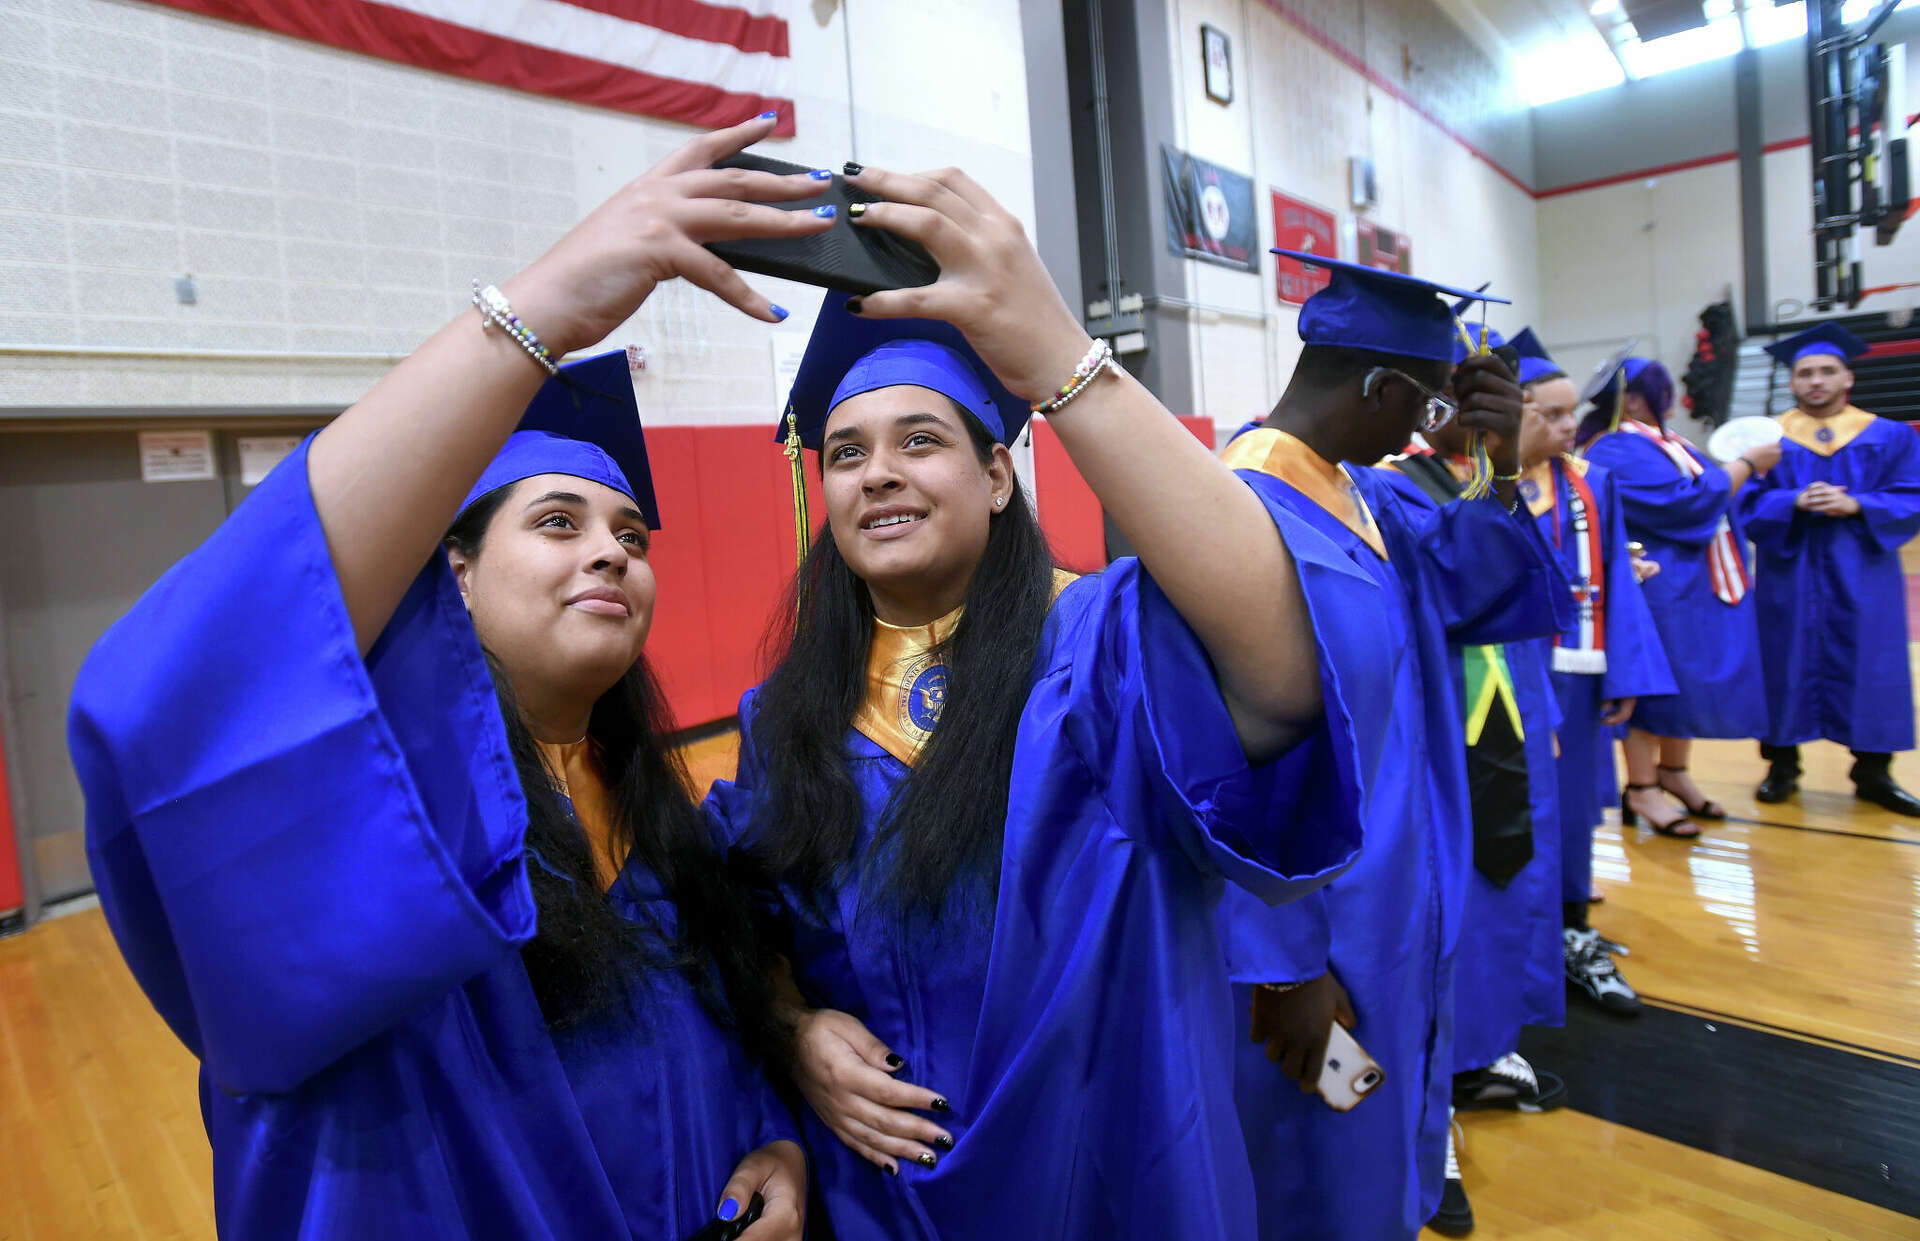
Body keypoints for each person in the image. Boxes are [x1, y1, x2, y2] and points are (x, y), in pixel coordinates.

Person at [65, 116, 830, 1240]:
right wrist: (548, 306)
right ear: (454, 573)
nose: (612, 550)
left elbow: (706, 1043)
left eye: (631, 532)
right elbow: (163, 699)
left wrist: (777, 1142)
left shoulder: (673, 825)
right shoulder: (387, 834)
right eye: (558, 522)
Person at [707, 169, 1367, 1240]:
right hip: (883, 1191)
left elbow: (1283, 663)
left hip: (1111, 1180)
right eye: (846, 452)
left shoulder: (1105, 652)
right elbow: (752, 925)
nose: (877, 473)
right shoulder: (786, 719)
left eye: (921, 440)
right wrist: (793, 1028)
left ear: (1000, 476)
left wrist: (1060, 354)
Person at [1216, 255, 1571, 1241]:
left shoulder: (1366, 498)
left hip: (1394, 900)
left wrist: (1498, 461)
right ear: (1376, 387)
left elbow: (1477, 587)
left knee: (1368, 1145)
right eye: (1422, 408)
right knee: (1302, 1163)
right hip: (1311, 932)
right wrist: (1283, 966)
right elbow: (1227, 762)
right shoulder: (1235, 517)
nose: (1425, 432)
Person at [1383, 330, 1569, 1236]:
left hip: (1501, 724)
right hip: (1424, 736)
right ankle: (1426, 1116)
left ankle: (1478, 1055)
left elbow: (1522, 610)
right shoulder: (1380, 486)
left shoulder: (1494, 481)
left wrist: (1498, 465)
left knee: (1495, 896)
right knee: (1434, 913)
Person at [1512, 329, 1674, 1017]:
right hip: (1493, 677)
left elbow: (1616, 582)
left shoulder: (1593, 484)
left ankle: (1572, 926)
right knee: (1508, 812)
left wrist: (1624, 675)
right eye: (1549, 413)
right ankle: (1513, 937)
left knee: (1572, 810)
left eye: (1571, 409)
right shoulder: (1463, 487)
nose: (1570, 424)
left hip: (1575, 678)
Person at [1578, 357, 1776, 838]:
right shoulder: (1615, 447)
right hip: (1657, 581)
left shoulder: (1669, 441)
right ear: (1639, 397)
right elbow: (1685, 502)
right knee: (1654, 685)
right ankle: (1642, 787)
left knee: (1683, 683)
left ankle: (1674, 773)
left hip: (1695, 579)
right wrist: (1747, 465)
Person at [1741, 323, 1920, 814]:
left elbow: (1913, 495)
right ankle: (1781, 766)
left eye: (1826, 371)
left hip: (1862, 572)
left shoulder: (1889, 435)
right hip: (1789, 573)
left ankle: (1873, 773)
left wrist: (1858, 505)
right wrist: (1791, 500)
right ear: (1793, 382)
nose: (1815, 381)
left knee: (1871, 663)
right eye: (1804, 373)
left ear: (1847, 379)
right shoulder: (1768, 439)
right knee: (1783, 662)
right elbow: (1745, 502)